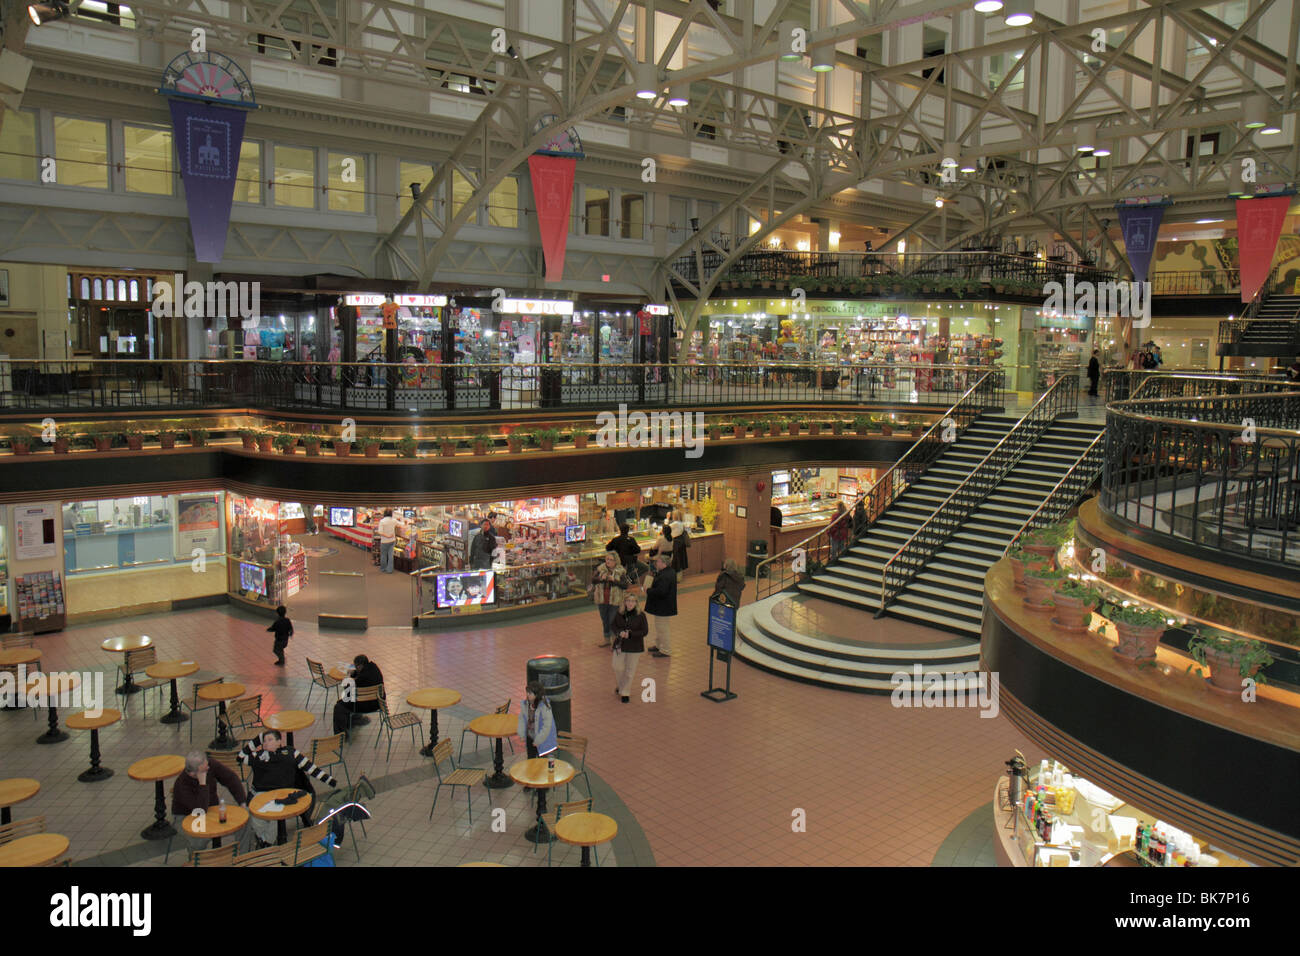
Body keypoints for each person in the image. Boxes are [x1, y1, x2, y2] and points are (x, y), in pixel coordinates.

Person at [238, 729, 338, 846]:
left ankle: (266, 842)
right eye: (264, 741)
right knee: (256, 816)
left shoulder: (290, 753)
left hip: (282, 795)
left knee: (273, 817)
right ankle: (265, 840)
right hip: (261, 794)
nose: (266, 743)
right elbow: (240, 757)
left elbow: (310, 767)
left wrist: (330, 781)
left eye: (270, 740)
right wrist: (258, 739)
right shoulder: (257, 756)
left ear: (279, 742)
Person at [171, 750, 247, 854]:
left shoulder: (209, 765)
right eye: (204, 769)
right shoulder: (181, 786)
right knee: (198, 840)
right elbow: (201, 810)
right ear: (194, 773)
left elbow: (231, 778)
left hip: (212, 810)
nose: (208, 768)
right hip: (187, 816)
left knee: (245, 821)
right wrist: (202, 784)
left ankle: (242, 856)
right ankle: (196, 862)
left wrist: (242, 802)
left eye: (207, 764)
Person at [333, 654, 384, 734]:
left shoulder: (363, 677)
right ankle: (355, 719)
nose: (356, 668)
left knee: (339, 706)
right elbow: (361, 675)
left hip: (365, 705)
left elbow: (348, 689)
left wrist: (348, 679)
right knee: (349, 700)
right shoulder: (374, 668)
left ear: (360, 666)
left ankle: (341, 735)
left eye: (356, 667)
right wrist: (355, 674)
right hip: (378, 703)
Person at [611, 592, 648, 703]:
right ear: (624, 602)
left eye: (633, 601)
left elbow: (645, 631)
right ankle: (621, 685)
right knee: (617, 666)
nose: (630, 603)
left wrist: (631, 634)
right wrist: (619, 632)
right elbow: (613, 625)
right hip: (620, 645)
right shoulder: (620, 613)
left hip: (634, 646)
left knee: (629, 671)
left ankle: (625, 692)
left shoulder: (641, 615)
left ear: (636, 603)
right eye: (628, 601)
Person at [587, 552, 629, 647]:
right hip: (602, 599)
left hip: (615, 600)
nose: (608, 561)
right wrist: (601, 578)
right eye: (607, 559)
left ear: (616, 561)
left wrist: (614, 580)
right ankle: (606, 640)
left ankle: (614, 641)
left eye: (610, 560)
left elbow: (625, 585)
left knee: (612, 621)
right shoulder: (600, 568)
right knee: (605, 620)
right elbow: (593, 579)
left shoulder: (621, 571)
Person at [644, 553, 678, 658]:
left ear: (663, 563)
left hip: (662, 606)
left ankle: (666, 650)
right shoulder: (669, 572)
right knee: (660, 627)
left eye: (657, 561)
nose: (655, 563)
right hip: (665, 606)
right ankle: (659, 645)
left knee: (662, 628)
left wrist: (648, 590)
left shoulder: (665, 576)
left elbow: (661, 591)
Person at [518, 680, 557, 760]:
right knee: (531, 761)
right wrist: (521, 734)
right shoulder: (526, 704)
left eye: (530, 693)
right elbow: (522, 718)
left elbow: (547, 726)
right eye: (527, 692)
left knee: (542, 764)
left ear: (536, 695)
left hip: (543, 740)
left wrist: (538, 740)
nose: (527, 695)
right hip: (530, 737)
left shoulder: (544, 706)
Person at [377, 508, 398, 574]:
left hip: (384, 541)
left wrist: (387, 536)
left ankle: (383, 568)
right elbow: (401, 524)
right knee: (390, 555)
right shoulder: (394, 520)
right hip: (392, 540)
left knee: (383, 555)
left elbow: (380, 532)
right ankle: (390, 570)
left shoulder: (382, 521)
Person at [670, 512, 691, 579]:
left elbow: (665, 528)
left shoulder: (674, 524)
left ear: (674, 516)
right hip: (681, 542)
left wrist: (667, 518)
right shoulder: (682, 524)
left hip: (676, 543)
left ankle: (675, 577)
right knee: (681, 559)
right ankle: (679, 577)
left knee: (676, 560)